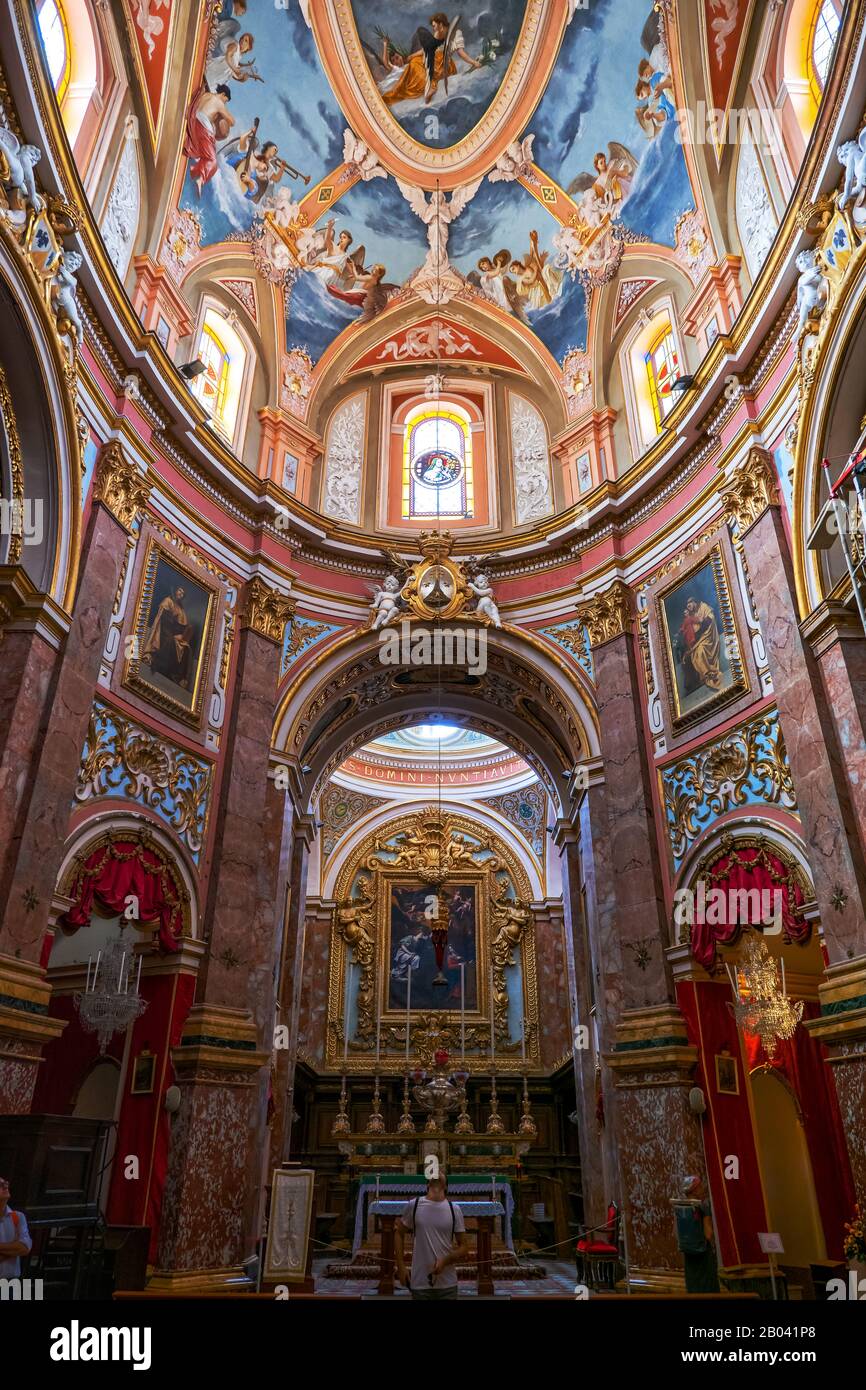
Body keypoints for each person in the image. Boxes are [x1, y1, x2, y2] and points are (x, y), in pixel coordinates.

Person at [395, 1173, 468, 1300]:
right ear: (428, 1184)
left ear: (445, 1186)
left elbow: (464, 1247)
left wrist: (445, 1260)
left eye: (441, 1172)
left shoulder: (454, 1209)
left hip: (447, 1284)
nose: (437, 1173)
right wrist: (401, 1266)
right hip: (420, 1282)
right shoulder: (415, 1205)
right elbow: (399, 1233)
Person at [675, 1175, 719, 1293]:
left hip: (688, 1254)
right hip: (702, 1254)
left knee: (693, 1286)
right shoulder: (703, 1206)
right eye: (700, 1186)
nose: (703, 1188)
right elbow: (708, 1234)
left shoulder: (680, 1206)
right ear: (694, 1190)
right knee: (707, 1286)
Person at [0, 1176, 32, 1280]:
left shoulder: (18, 1216)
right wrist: (13, 1249)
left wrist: (18, 1249)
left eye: (5, 1183)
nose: (5, 1186)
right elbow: (19, 1249)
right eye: (0, 1185)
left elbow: (24, 1248)